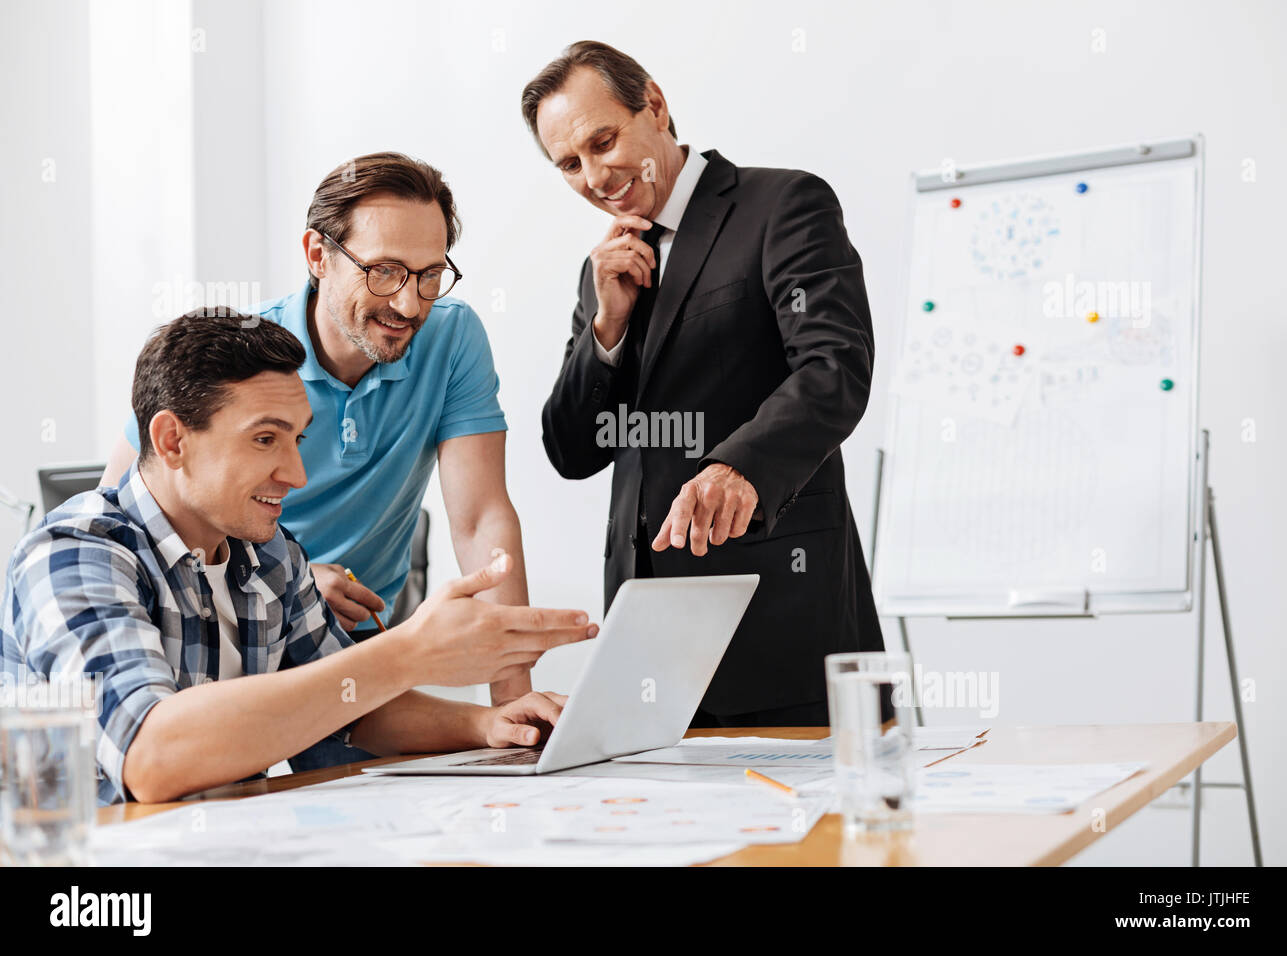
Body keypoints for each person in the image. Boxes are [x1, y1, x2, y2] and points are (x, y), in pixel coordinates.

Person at [3, 311, 595, 805]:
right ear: (171, 440)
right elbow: (152, 757)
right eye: (266, 439)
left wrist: (491, 724)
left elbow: (348, 710)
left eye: (298, 438)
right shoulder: (72, 555)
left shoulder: (271, 554)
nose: (297, 474)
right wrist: (410, 651)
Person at [524, 41, 886, 728]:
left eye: (604, 141)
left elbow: (834, 365)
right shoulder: (602, 269)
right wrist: (606, 328)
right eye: (569, 163)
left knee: (818, 834)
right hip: (650, 650)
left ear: (654, 106)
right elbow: (572, 452)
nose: (596, 175)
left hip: (782, 621)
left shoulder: (782, 204)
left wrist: (738, 465)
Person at [101, 153, 533, 714]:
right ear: (317, 256)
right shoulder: (245, 355)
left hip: (354, 640)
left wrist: (512, 704)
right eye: (384, 271)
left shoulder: (453, 339)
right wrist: (290, 584)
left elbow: (480, 519)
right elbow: (128, 512)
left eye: (429, 276)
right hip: (224, 632)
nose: (409, 303)